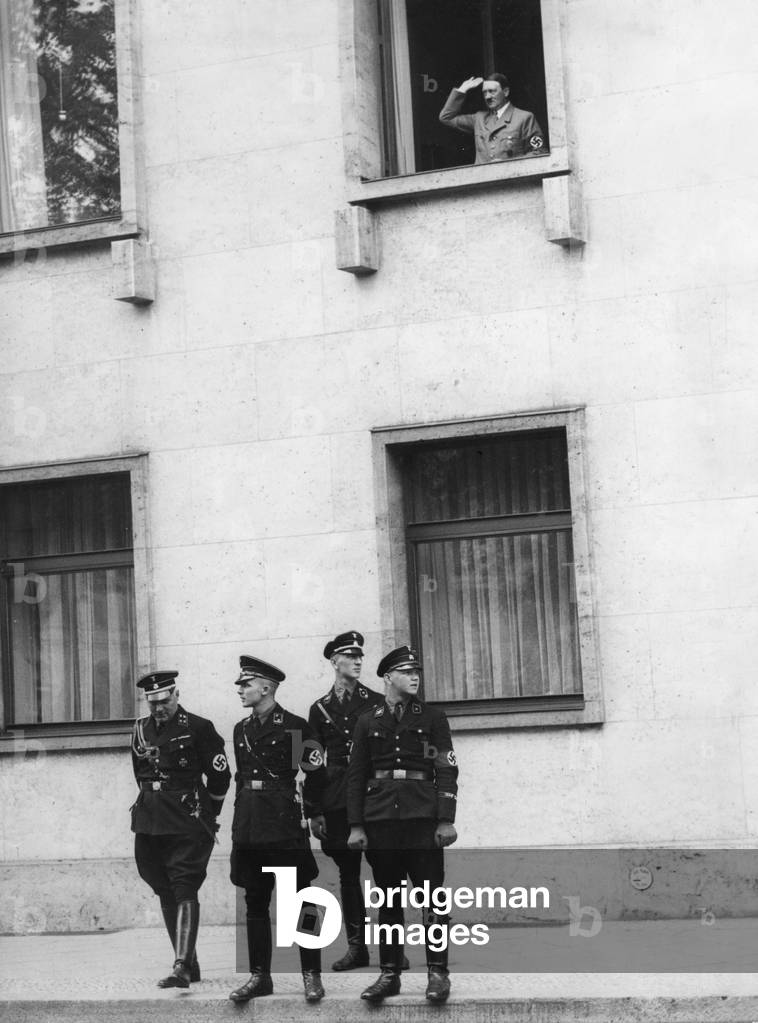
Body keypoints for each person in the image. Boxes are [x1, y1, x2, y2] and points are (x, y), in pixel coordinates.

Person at [347, 645, 458, 1004]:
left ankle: (438, 974)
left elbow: (446, 768)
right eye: (407, 672)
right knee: (389, 901)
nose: (415, 677)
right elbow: (356, 776)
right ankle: (389, 974)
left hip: (422, 820)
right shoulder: (368, 719)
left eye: (417, 672)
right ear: (388, 677)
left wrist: (445, 819)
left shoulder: (432, 718)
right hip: (381, 822)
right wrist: (356, 826)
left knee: (432, 899)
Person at [228, 655, 328, 1004]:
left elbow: (316, 776)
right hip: (251, 825)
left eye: (246, 684)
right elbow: (241, 778)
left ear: (266, 688)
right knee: (255, 901)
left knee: (302, 900)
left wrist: (313, 814)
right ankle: (260, 976)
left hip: (284, 824)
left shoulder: (295, 727)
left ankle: (311, 975)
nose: (240, 689)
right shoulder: (241, 729)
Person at [130, 669, 231, 988]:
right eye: (153, 703)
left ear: (176, 695)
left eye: (164, 701)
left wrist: (209, 813)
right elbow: (140, 773)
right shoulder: (140, 730)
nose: (159, 708)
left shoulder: (199, 728)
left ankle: (181, 966)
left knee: (184, 883)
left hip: (188, 818)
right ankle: (190, 962)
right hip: (150, 820)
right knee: (161, 884)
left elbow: (220, 777)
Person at [307, 630, 384, 971]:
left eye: (360, 656)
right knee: (348, 875)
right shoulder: (318, 709)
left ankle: (392, 949)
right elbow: (308, 764)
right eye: (349, 656)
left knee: (386, 873)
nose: (357, 661)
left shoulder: (377, 701)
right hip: (337, 799)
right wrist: (314, 810)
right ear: (334, 662)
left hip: (373, 796)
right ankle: (357, 948)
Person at [439, 72, 545, 164]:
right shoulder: (479, 118)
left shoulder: (524, 118)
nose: (487, 97)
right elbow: (446, 117)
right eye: (484, 92)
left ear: (506, 92)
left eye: (492, 91)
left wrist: (509, 164)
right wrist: (462, 89)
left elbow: (539, 152)